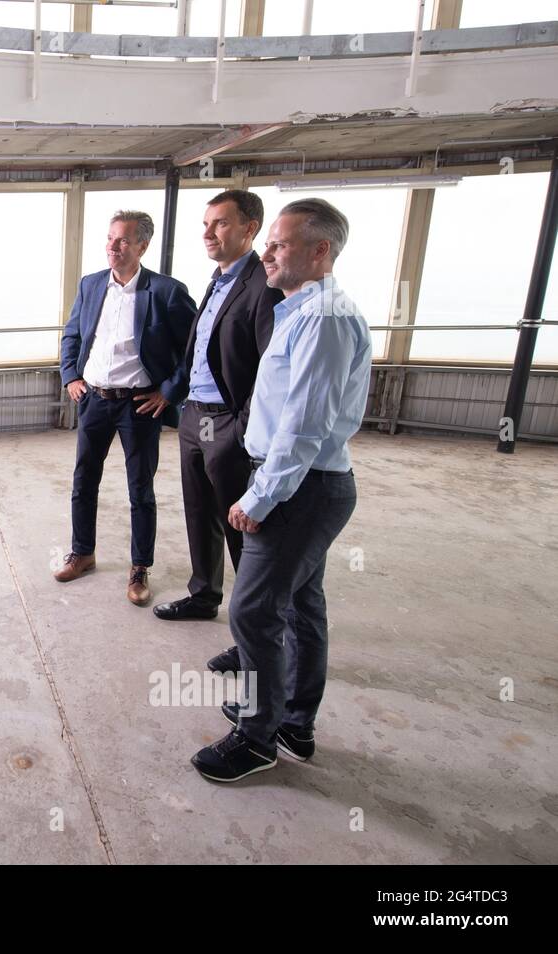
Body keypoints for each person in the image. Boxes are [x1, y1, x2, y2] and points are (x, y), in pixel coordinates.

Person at [191, 198, 372, 783]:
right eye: (269, 242)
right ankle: (293, 724)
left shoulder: (324, 320)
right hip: (306, 482)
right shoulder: (301, 310)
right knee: (300, 604)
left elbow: (305, 425)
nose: (267, 253)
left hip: (302, 488)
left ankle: (258, 735)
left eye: (280, 244)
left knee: (251, 609)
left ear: (320, 251)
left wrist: (259, 496)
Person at [155, 190, 281, 637]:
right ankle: (204, 595)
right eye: (206, 224)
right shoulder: (217, 279)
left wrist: (242, 427)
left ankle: (254, 627)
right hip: (195, 415)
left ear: (250, 229)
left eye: (221, 223)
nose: (209, 232)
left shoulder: (263, 286)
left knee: (240, 524)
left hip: (228, 420)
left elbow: (271, 368)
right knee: (199, 512)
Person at [56, 211, 198, 606]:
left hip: (138, 406)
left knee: (140, 489)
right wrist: (71, 377)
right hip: (93, 400)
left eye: (122, 240)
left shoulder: (166, 291)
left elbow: (195, 348)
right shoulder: (91, 285)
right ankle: (82, 553)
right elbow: (73, 334)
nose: (112, 247)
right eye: (109, 238)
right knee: (84, 481)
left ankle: (139, 568)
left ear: (142, 246)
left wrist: (169, 392)